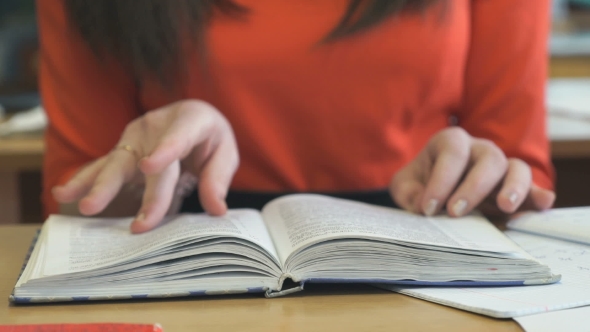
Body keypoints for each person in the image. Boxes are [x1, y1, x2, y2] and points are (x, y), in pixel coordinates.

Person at [37, 0, 555, 233]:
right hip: (186, 248)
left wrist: (482, 177)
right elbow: (75, 204)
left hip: (424, 238)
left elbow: (521, 176)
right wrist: (157, 169)